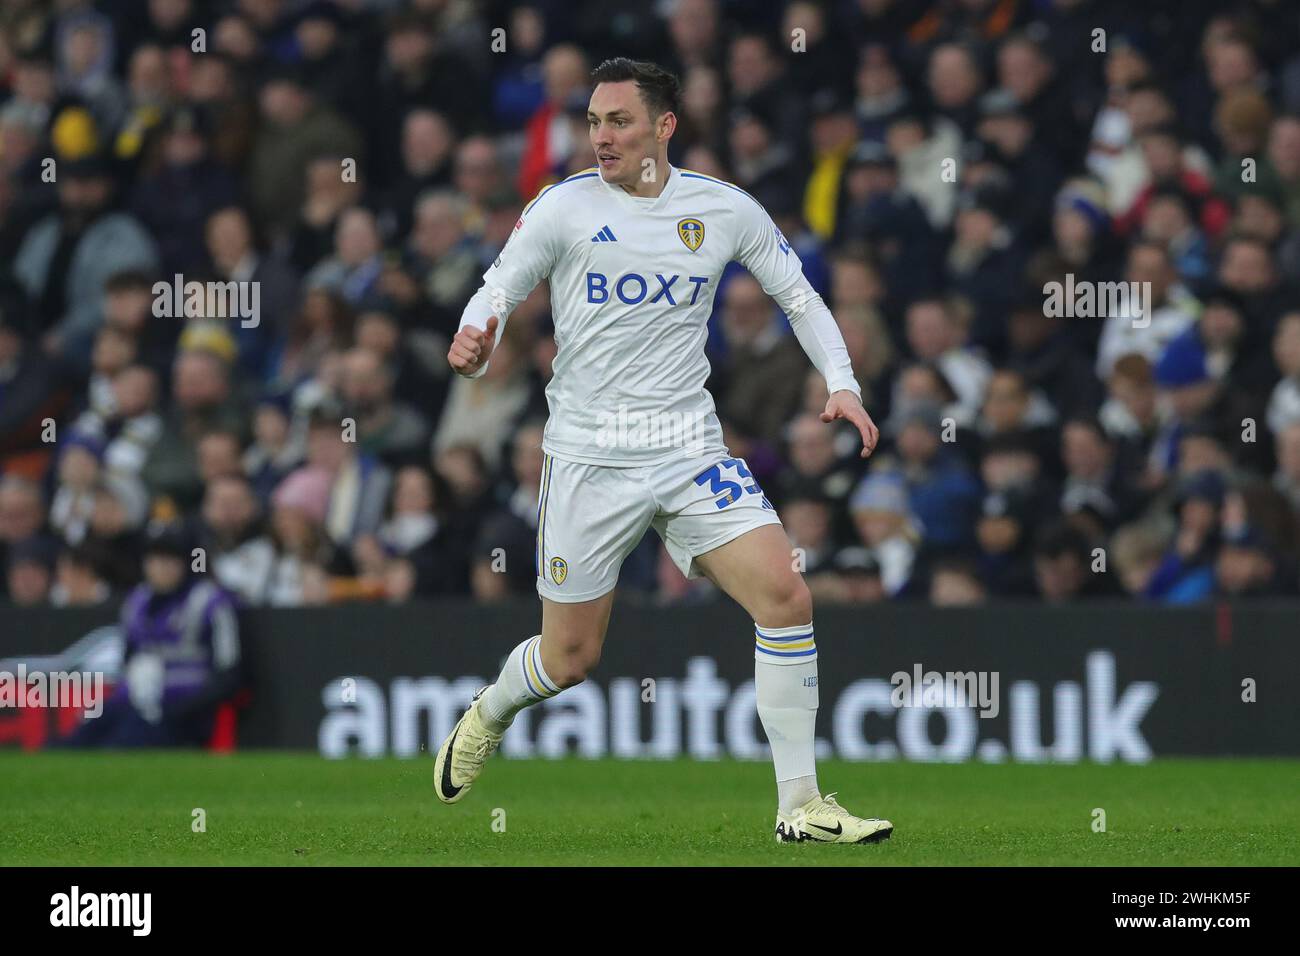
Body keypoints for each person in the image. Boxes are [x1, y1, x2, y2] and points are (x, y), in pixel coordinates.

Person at [436, 58, 891, 844]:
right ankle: (490, 711)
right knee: (569, 659)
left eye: (618, 121)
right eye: (593, 122)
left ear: (664, 125)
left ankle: (801, 807)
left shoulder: (721, 210)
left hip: (687, 446)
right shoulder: (562, 207)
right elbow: (498, 288)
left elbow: (798, 294)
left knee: (786, 594)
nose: (602, 136)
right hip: (588, 456)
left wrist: (843, 383)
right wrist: (479, 337)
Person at [53, 523, 242, 748]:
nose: (161, 568)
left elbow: (230, 673)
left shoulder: (210, 602)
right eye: (154, 559)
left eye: (170, 560)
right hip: (132, 699)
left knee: (118, 747)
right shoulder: (137, 601)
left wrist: (183, 708)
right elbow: (128, 657)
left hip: (181, 708)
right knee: (73, 743)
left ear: (186, 563)